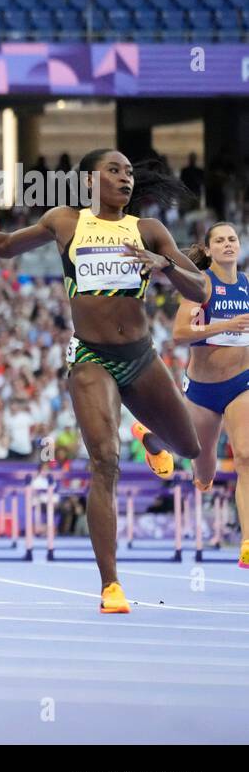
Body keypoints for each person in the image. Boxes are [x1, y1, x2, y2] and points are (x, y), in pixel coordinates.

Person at [0, 149, 205, 614]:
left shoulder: (148, 231)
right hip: (90, 357)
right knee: (104, 460)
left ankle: (149, 435)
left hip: (141, 358)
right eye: (114, 171)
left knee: (191, 450)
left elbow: (201, 289)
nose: (125, 179)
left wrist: (164, 265)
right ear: (90, 180)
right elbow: (4, 246)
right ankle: (111, 585)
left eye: (128, 173)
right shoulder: (65, 222)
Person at [162, 222, 249, 567]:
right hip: (201, 391)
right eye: (220, 240)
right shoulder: (200, 285)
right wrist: (224, 326)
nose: (228, 244)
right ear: (209, 250)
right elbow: (179, 334)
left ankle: (247, 542)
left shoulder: (247, 285)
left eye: (232, 239)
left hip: (241, 383)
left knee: (245, 457)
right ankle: (196, 472)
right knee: (204, 475)